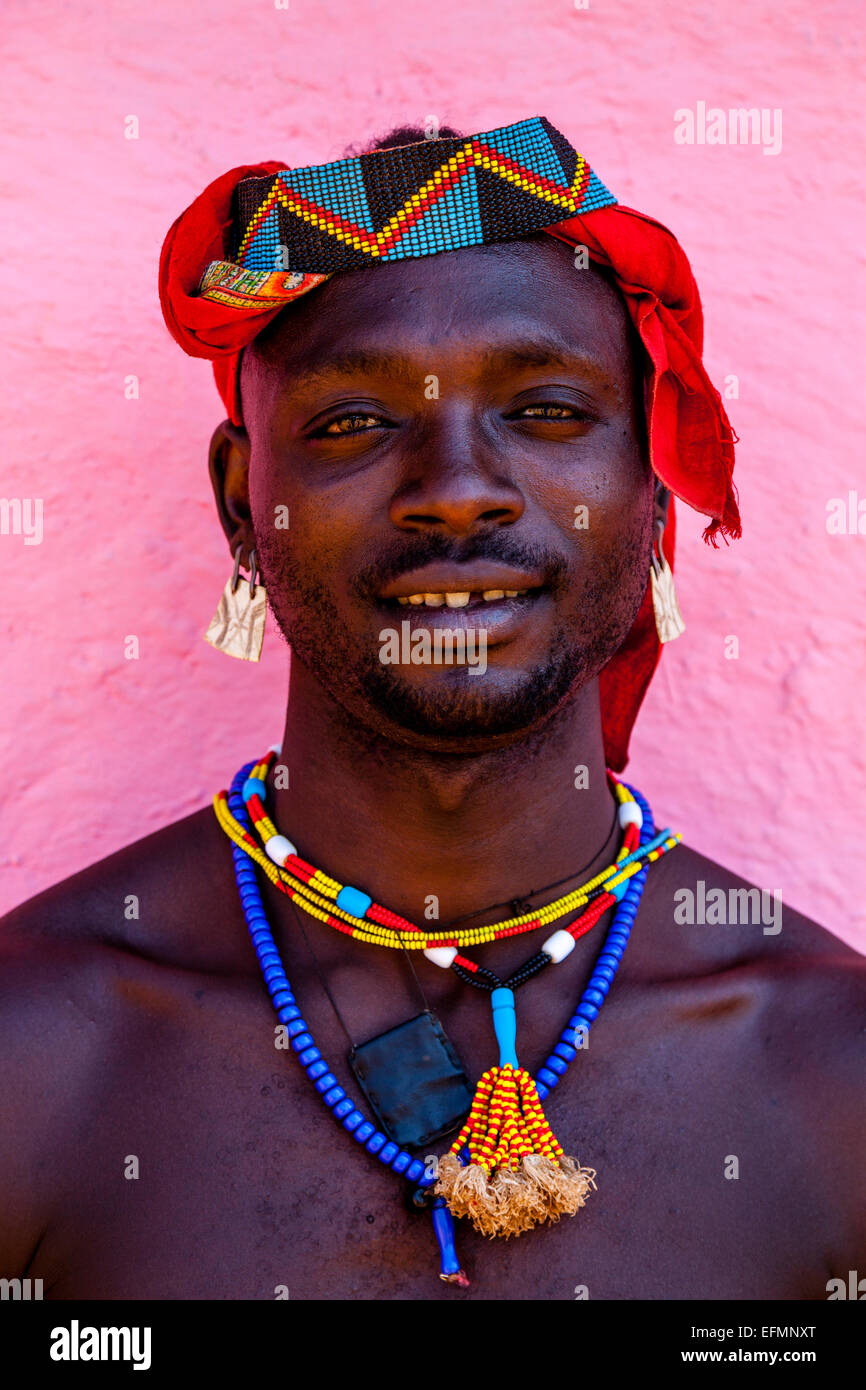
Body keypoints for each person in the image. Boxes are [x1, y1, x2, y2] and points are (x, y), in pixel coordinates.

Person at [1, 118, 862, 1301]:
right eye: (353, 422)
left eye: (547, 410)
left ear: (654, 486)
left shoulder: (831, 1073)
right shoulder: (34, 1050)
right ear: (241, 504)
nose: (456, 491)